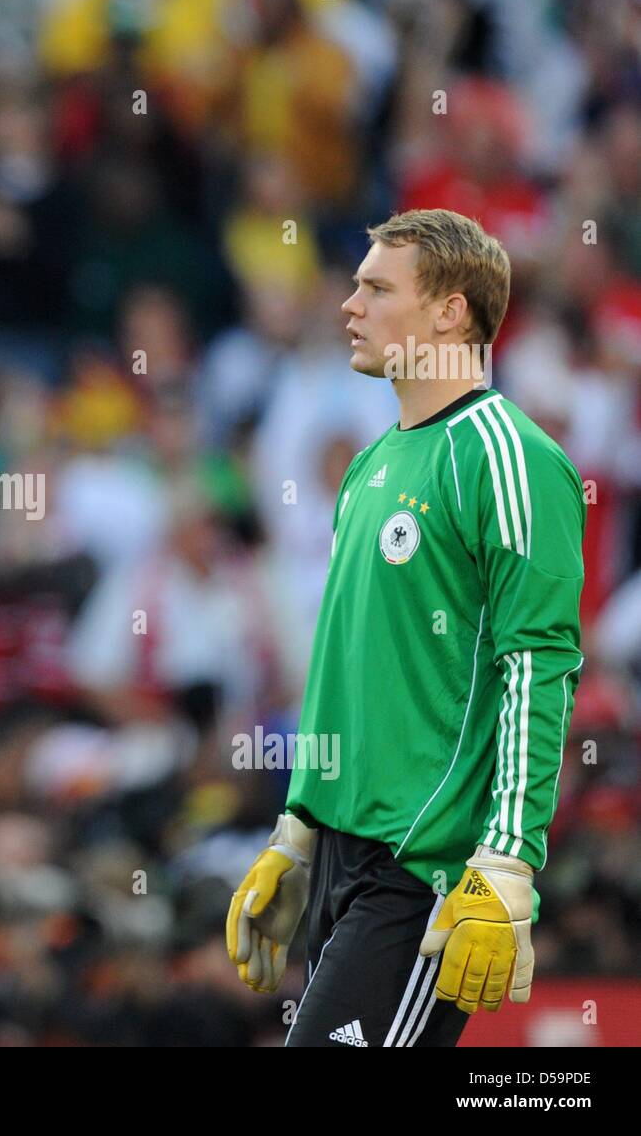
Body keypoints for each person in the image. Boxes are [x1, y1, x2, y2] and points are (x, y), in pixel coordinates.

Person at [227, 209, 586, 1047]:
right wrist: (300, 830)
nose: (349, 304)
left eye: (376, 287)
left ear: (449, 312)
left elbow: (539, 664)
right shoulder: (370, 465)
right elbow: (342, 667)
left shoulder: (511, 456)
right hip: (347, 861)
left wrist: (506, 863)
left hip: (430, 870)